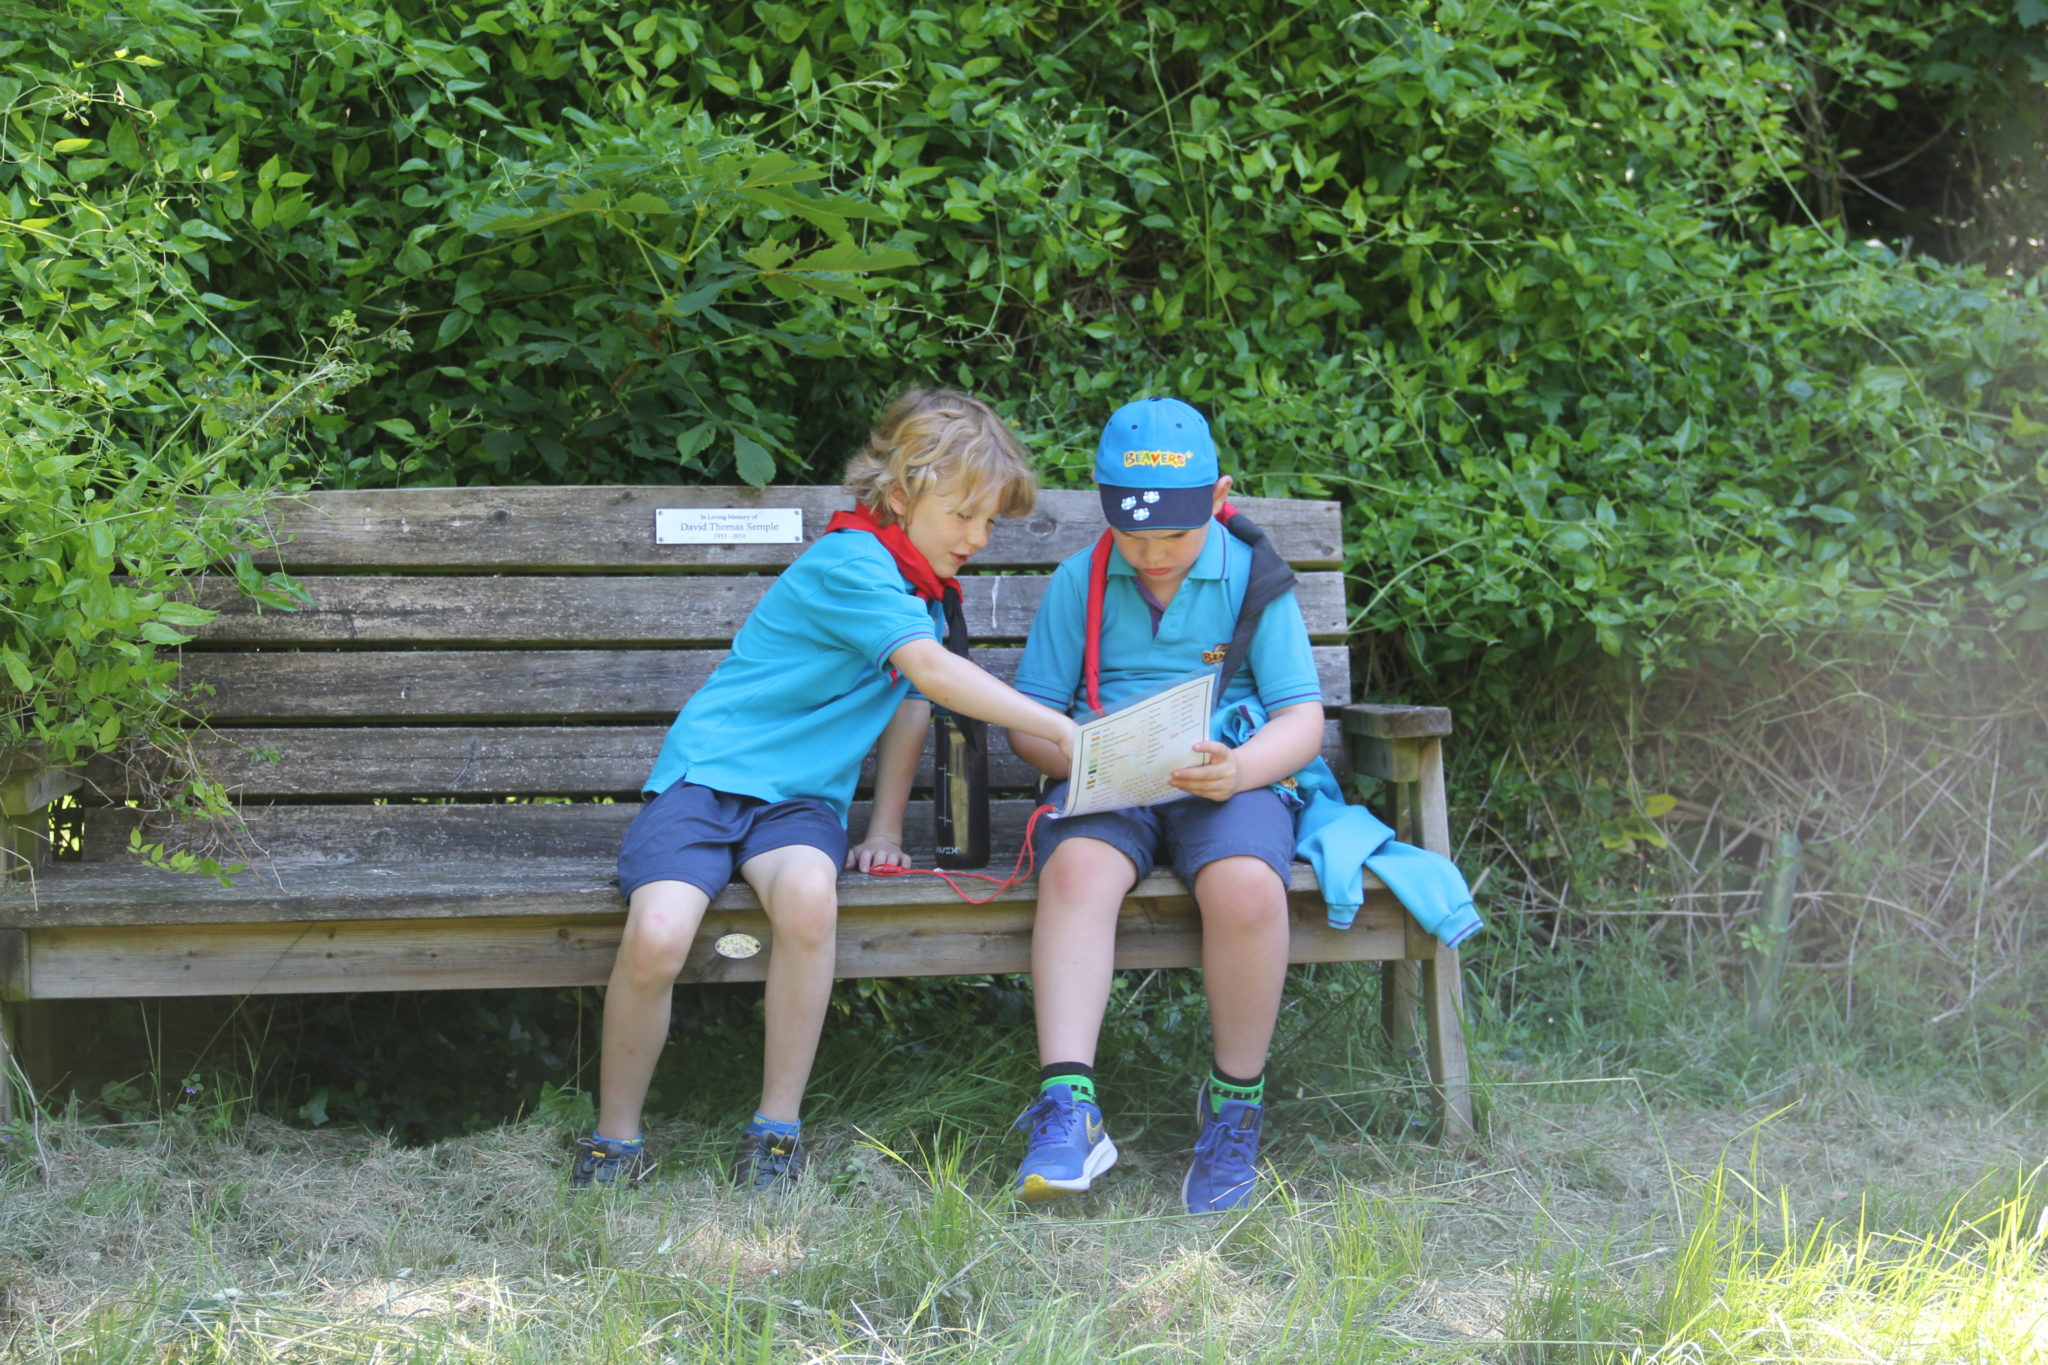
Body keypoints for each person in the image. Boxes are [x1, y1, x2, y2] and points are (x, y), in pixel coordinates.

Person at [573, 389, 1079, 1191]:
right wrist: (1062, 728)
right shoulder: (852, 563)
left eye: (991, 522)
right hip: (706, 782)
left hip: (801, 801)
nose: (979, 539)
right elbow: (931, 673)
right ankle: (615, 1138)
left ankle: (776, 1130)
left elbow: (912, 704)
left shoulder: (926, 593)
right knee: (660, 933)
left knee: (811, 899)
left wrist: (882, 826)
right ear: (905, 492)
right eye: (964, 516)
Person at [1004, 396, 1326, 1214]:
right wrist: (1076, 751)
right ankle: (1068, 1104)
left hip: (1224, 776)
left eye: (1174, 537)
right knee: (1074, 872)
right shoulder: (1079, 578)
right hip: (1111, 781)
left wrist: (1244, 766)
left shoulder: (1253, 573)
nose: (1151, 554)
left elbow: (1302, 718)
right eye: (1134, 535)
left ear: (1220, 498)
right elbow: (1028, 724)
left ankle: (1234, 1106)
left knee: (1249, 887)